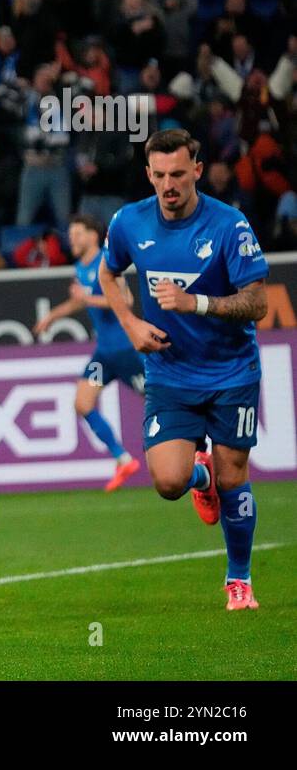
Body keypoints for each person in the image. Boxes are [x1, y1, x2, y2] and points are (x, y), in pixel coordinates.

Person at [99, 130, 269, 611]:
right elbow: (108, 274)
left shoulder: (229, 225)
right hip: (169, 372)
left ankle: (239, 579)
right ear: (147, 175)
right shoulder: (128, 222)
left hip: (231, 372)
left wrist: (197, 302)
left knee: (235, 477)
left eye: (178, 173)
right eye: (159, 176)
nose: (168, 184)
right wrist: (130, 322)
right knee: (169, 482)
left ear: (197, 169)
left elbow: (257, 302)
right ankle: (201, 477)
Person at [33, 215, 144, 491]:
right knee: (83, 403)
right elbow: (78, 301)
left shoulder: (108, 262)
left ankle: (200, 449)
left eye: (78, 233)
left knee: (163, 400)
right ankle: (123, 459)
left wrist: (87, 299)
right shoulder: (80, 267)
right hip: (105, 357)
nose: (73, 238)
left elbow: (126, 300)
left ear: (94, 236)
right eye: (70, 233)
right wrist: (53, 316)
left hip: (128, 351)